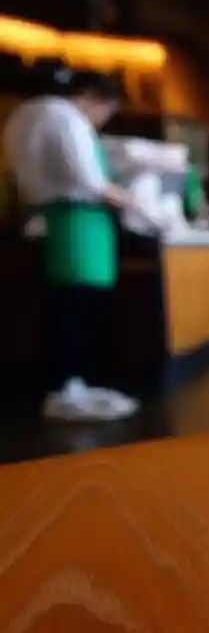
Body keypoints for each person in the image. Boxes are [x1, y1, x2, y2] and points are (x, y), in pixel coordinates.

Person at [2, 71, 151, 420]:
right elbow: (90, 180)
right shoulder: (66, 119)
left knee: (62, 304)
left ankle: (67, 385)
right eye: (106, 111)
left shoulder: (25, 115)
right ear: (90, 97)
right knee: (78, 306)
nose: (101, 121)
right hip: (79, 222)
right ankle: (68, 387)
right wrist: (135, 202)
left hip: (50, 218)